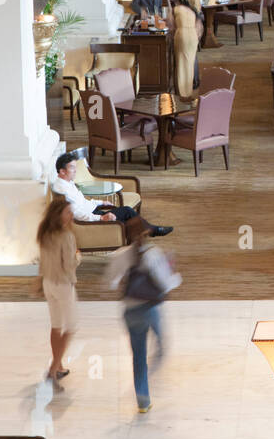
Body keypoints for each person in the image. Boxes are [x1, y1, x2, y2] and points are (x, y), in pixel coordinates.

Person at [104, 220, 182, 412]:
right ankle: (159, 350)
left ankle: (143, 401)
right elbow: (165, 283)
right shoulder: (153, 255)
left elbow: (110, 282)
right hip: (149, 309)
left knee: (138, 357)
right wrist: (174, 274)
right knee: (160, 337)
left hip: (130, 311)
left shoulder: (120, 255)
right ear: (146, 233)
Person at [52, 153, 172, 239]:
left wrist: (100, 202)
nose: (75, 171)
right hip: (91, 218)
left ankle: (151, 231)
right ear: (62, 171)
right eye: (72, 168)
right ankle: (153, 231)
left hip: (92, 211)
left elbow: (83, 203)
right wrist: (101, 218)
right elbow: (76, 214)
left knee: (127, 213)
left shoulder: (68, 183)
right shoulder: (63, 190)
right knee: (128, 214)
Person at [36, 196, 79, 387]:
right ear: (59, 215)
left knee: (56, 325)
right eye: (68, 212)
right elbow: (69, 265)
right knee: (70, 327)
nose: (71, 215)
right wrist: (79, 257)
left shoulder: (44, 232)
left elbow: (43, 261)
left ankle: (59, 365)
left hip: (48, 283)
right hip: (63, 284)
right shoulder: (66, 236)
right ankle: (53, 368)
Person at [172, 0, 201, 100]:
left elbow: (198, 16)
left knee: (185, 63)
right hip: (192, 34)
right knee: (189, 61)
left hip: (185, 33)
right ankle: (189, 88)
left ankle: (186, 90)